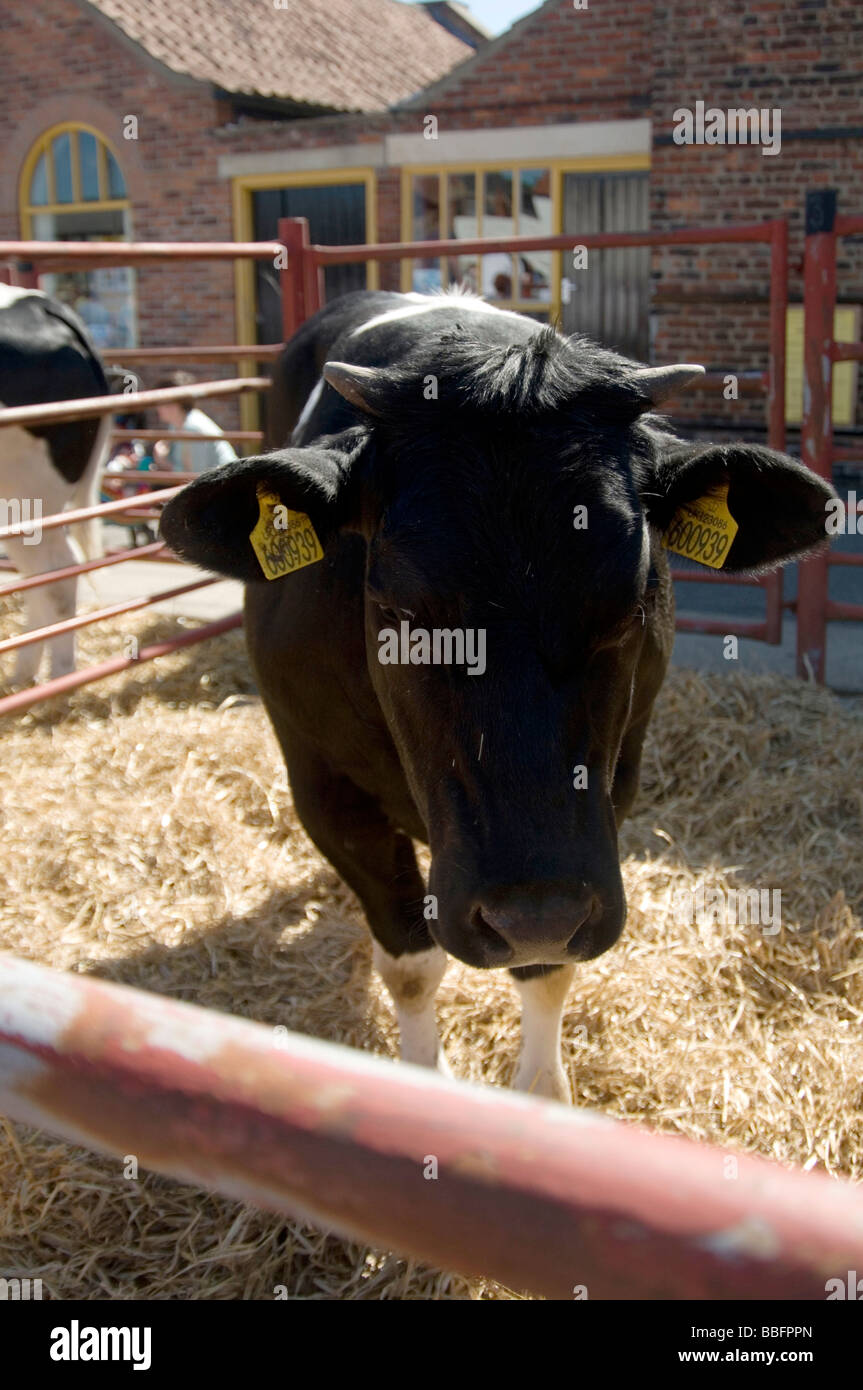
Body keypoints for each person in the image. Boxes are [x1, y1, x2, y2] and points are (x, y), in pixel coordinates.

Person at [152, 371, 238, 475]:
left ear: (174, 404)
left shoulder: (193, 428)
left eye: (160, 402)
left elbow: (198, 476)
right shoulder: (177, 424)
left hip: (226, 486)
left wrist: (163, 463)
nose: (157, 407)